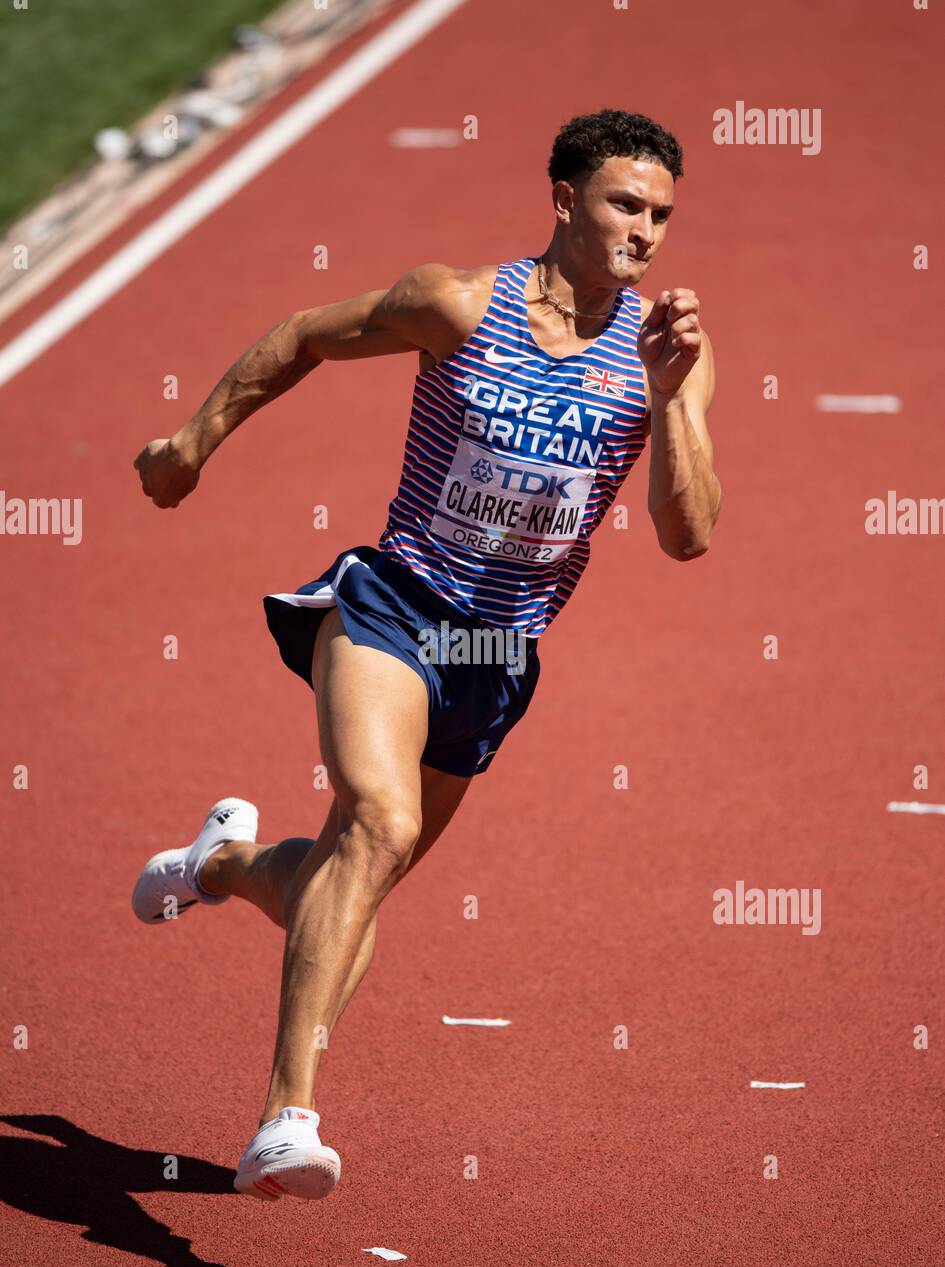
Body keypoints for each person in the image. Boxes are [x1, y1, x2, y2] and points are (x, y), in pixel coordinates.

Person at [131, 108, 722, 1202]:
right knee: (380, 821)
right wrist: (190, 445)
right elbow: (306, 331)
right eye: (624, 204)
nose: (645, 231)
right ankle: (284, 1119)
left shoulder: (665, 354)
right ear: (562, 199)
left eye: (662, 216)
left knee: (350, 877)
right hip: (396, 604)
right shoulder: (456, 302)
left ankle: (216, 865)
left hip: (497, 651)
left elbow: (689, 535)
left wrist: (674, 391)